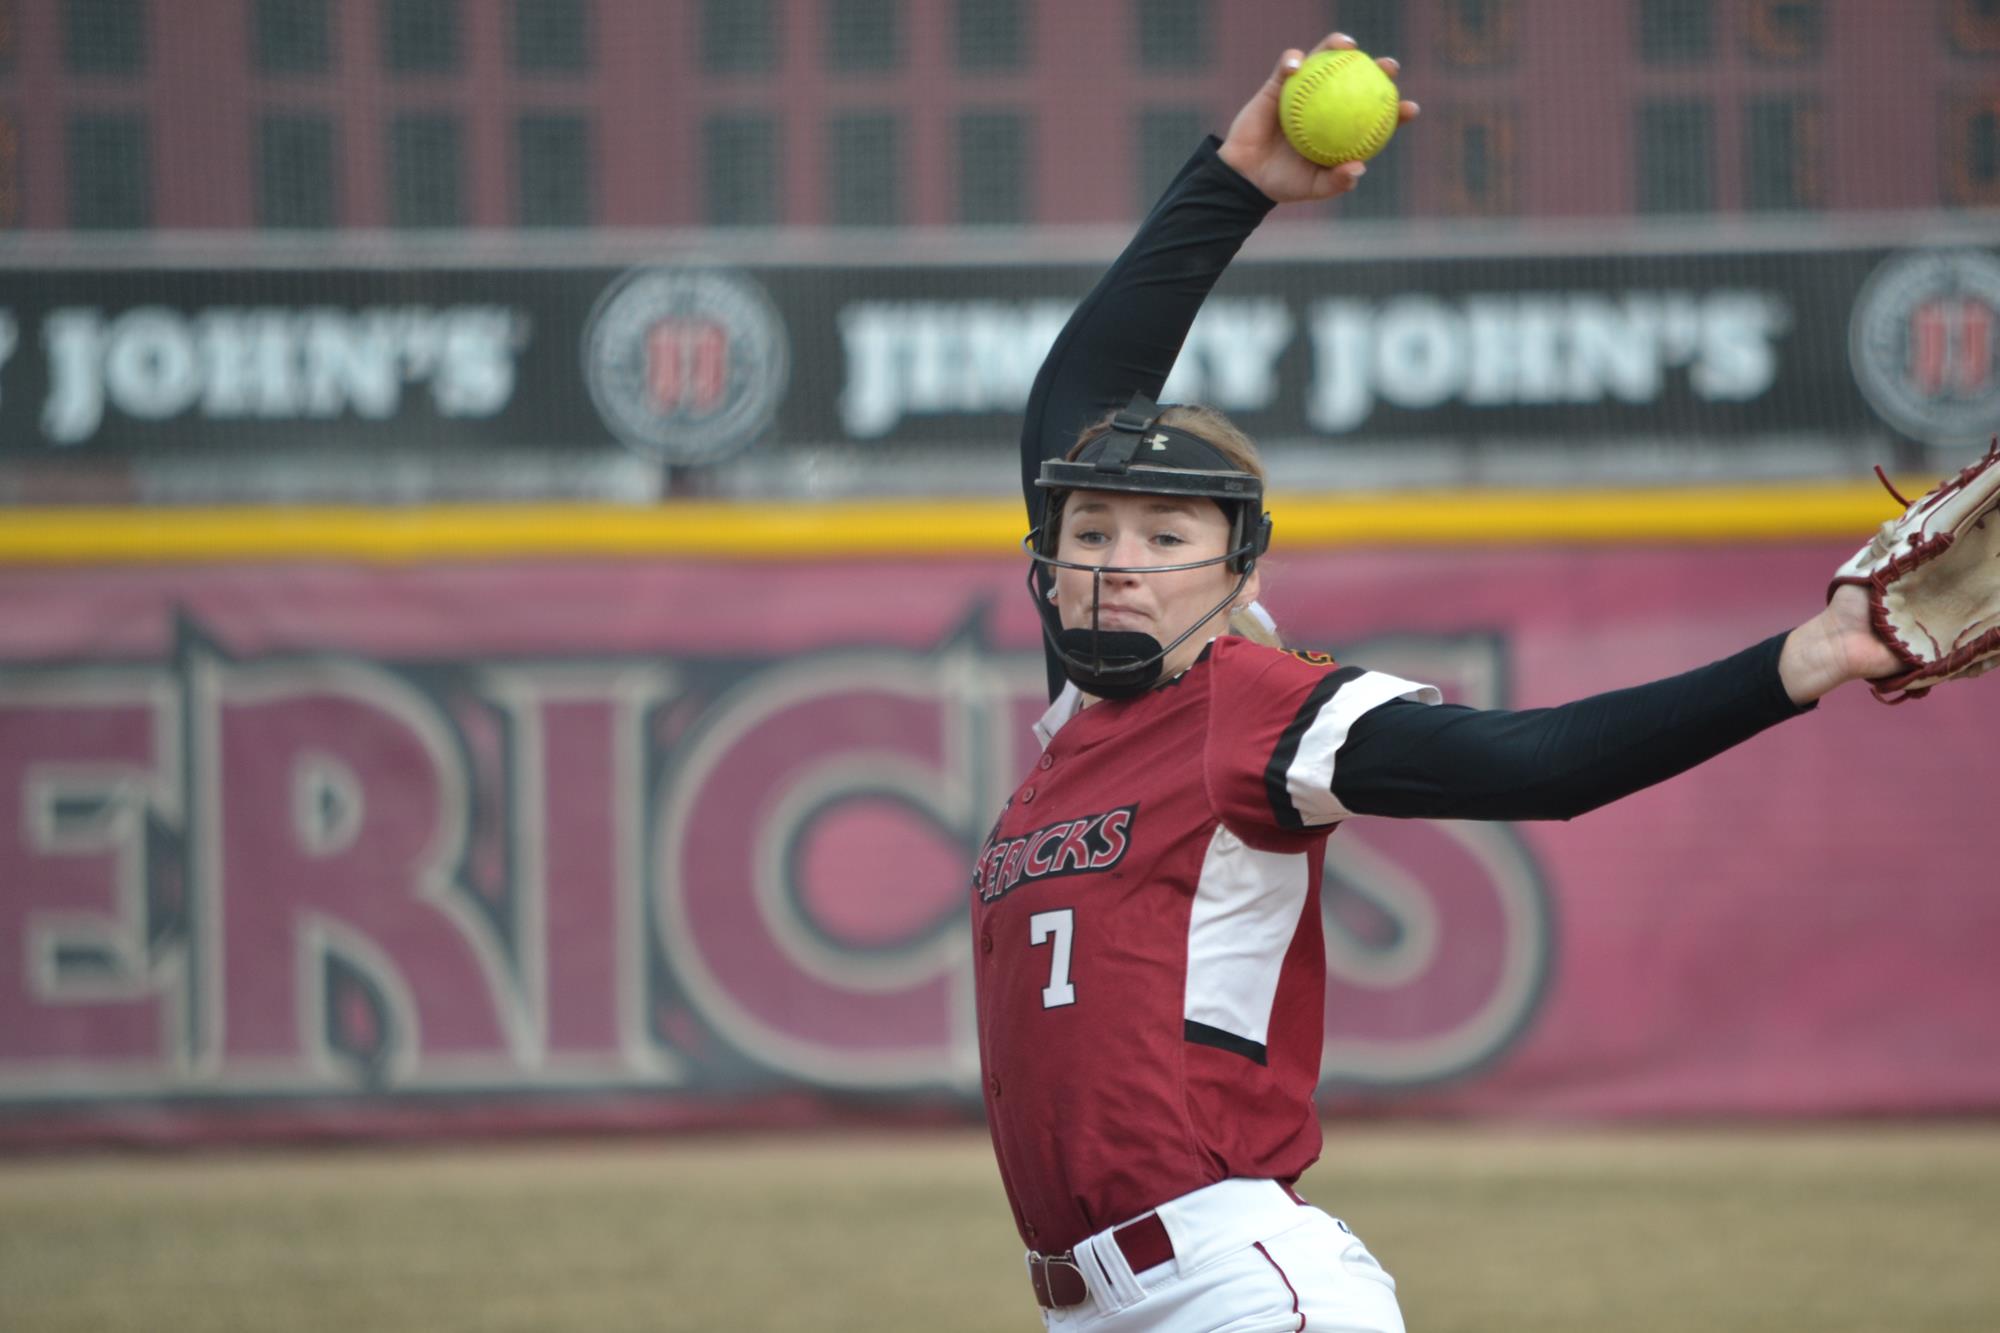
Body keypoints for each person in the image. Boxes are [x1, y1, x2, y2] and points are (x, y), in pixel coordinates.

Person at [969, 33, 1908, 1333]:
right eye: (1093, 530)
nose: (1122, 560)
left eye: (1168, 535)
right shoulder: (1079, 729)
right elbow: (1073, 408)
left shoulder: (1251, 702)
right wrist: (1232, 179)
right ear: (1049, 556)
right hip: (1089, 1307)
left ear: (1237, 570)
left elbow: (1539, 766)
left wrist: (1800, 664)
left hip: (1235, 1287)